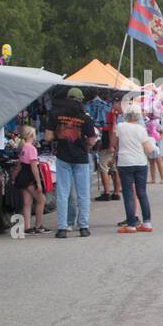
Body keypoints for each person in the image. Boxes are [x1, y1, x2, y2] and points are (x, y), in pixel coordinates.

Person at [46, 87, 98, 238]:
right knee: (83, 193)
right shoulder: (86, 118)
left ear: (67, 99)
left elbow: (48, 137)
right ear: (81, 101)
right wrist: (85, 146)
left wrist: (58, 136)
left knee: (63, 193)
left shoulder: (55, 115)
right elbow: (91, 139)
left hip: (63, 157)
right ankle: (84, 227)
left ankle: (62, 228)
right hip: (81, 158)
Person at [113, 107, 156, 233]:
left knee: (128, 193)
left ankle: (131, 224)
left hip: (125, 162)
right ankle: (147, 223)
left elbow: (115, 143)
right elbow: (148, 149)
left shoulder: (120, 126)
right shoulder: (141, 129)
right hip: (141, 162)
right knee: (142, 193)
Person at [14, 125, 47, 234]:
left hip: (22, 176)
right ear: (32, 135)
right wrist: (38, 182)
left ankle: (27, 227)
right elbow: (34, 167)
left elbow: (19, 164)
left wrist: (14, 177)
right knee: (41, 200)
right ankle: (38, 225)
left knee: (27, 202)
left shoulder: (23, 147)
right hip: (29, 177)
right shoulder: (31, 148)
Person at [92, 95, 120, 202]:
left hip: (108, 144)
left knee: (103, 168)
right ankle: (116, 192)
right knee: (113, 169)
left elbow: (110, 129)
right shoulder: (116, 113)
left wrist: (110, 146)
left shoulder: (109, 113)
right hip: (113, 144)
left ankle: (107, 192)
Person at [145, 112, 163, 185]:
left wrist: (158, 138)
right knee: (151, 161)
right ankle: (153, 179)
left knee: (158, 161)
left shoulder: (156, 124)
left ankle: (162, 178)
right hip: (149, 143)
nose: (150, 116)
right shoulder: (146, 123)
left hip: (156, 144)